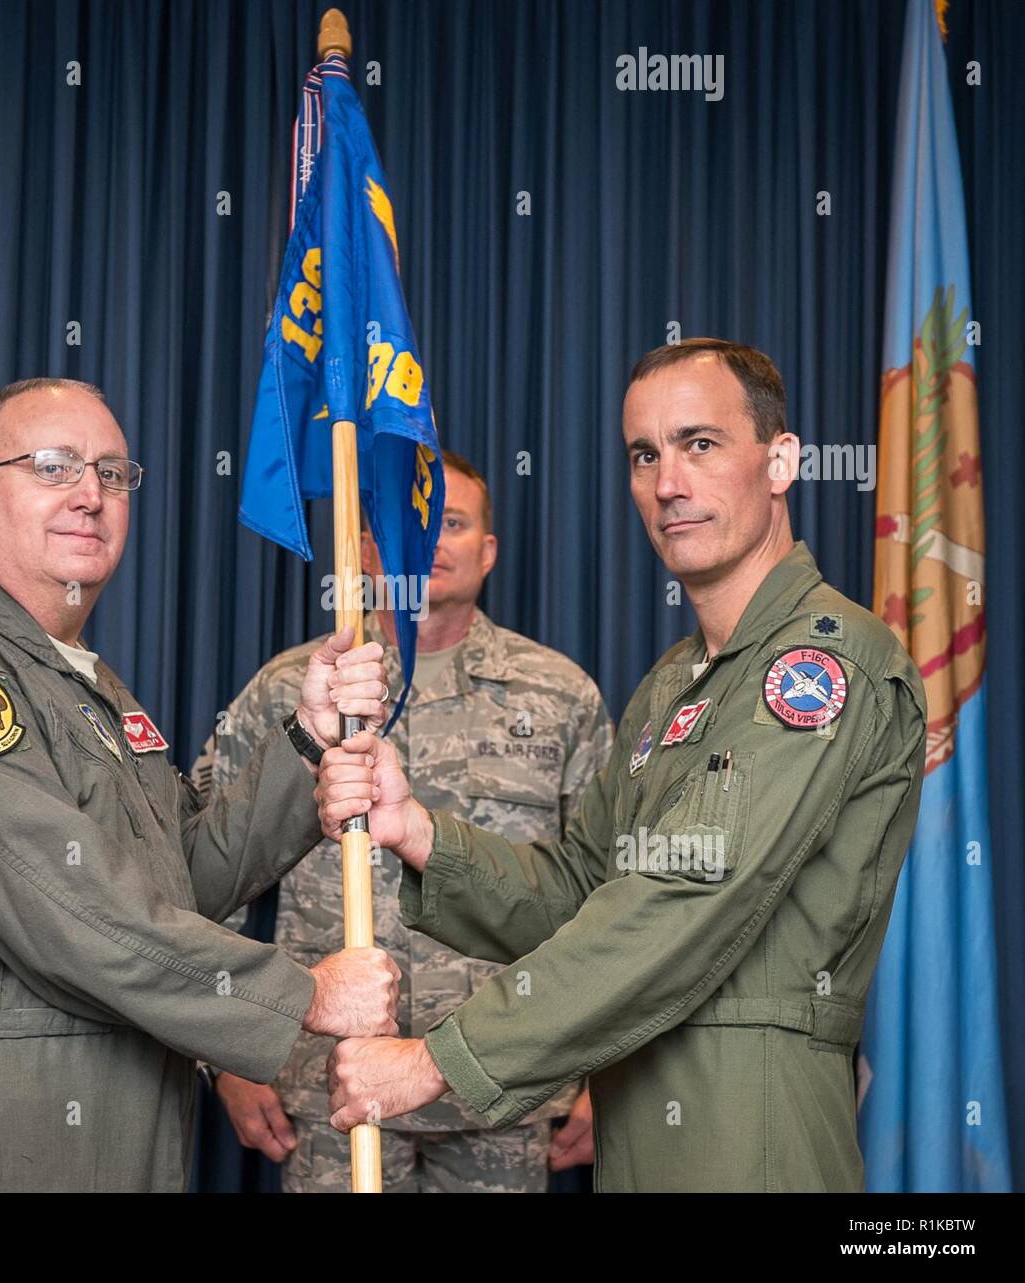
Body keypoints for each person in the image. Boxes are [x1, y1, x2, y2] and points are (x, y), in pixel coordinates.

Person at [317, 340, 928, 1193]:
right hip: (640, 1120)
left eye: (700, 443)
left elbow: (680, 904)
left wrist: (437, 1060)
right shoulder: (675, 682)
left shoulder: (824, 665)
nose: (668, 482)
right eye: (645, 454)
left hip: (750, 1130)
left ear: (781, 459)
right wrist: (418, 832)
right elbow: (580, 891)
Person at [0, 377, 401, 1192]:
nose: (90, 496)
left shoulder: (84, 681)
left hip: (125, 1120)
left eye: (111, 472)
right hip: (5, 1140)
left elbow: (180, 881)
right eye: (53, 467)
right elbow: (78, 916)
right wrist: (303, 995)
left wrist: (304, 745)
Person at [195, 452, 613, 1191]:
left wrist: (604, 1069)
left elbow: (605, 892)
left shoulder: (559, 695)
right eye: (408, 523)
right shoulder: (297, 690)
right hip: (333, 1088)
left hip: (503, 1085)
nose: (431, 541)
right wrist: (228, 1051)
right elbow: (206, 865)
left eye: (453, 523)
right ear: (364, 548)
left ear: (488, 550)